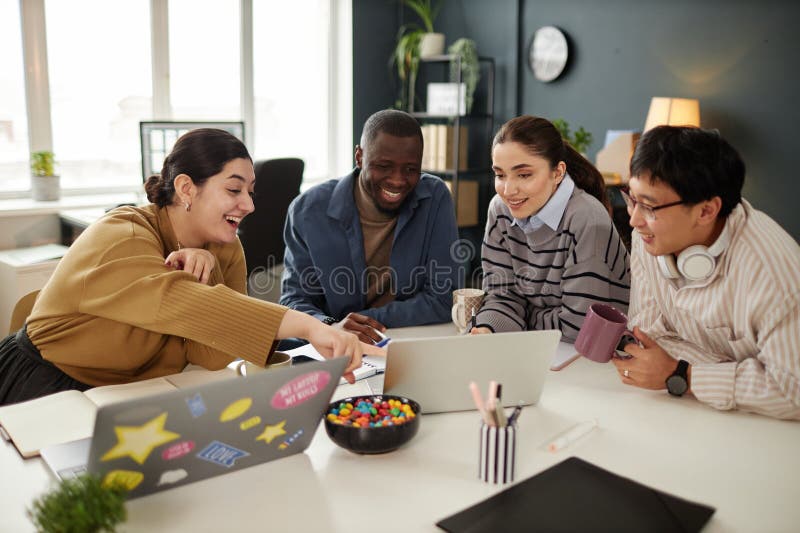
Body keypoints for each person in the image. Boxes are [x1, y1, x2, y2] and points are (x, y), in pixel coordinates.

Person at [0, 128, 378, 406]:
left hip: (123, 395)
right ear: (185, 188)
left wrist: (205, 272)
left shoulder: (225, 246)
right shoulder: (121, 234)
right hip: (45, 385)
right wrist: (310, 325)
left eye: (250, 191)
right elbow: (175, 302)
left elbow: (212, 353)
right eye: (233, 190)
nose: (248, 205)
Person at [613, 125, 800, 420]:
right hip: (695, 413)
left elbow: (792, 390)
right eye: (632, 198)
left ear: (706, 211)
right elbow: (649, 336)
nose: (634, 220)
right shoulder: (649, 235)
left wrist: (684, 375)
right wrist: (738, 372)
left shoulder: (774, 273)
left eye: (648, 206)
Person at [280, 109, 461, 344]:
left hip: (407, 340)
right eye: (384, 166)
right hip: (333, 343)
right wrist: (330, 326)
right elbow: (293, 300)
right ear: (359, 157)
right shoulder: (307, 210)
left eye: (410, 169)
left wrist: (360, 321)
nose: (397, 180)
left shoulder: (434, 197)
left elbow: (443, 297)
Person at [472, 115, 630, 342]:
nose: (508, 189)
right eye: (500, 174)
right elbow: (502, 297)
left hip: (602, 356)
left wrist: (522, 315)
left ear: (557, 173)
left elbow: (580, 327)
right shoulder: (500, 210)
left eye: (524, 175)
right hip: (544, 347)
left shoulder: (586, 218)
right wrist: (488, 328)